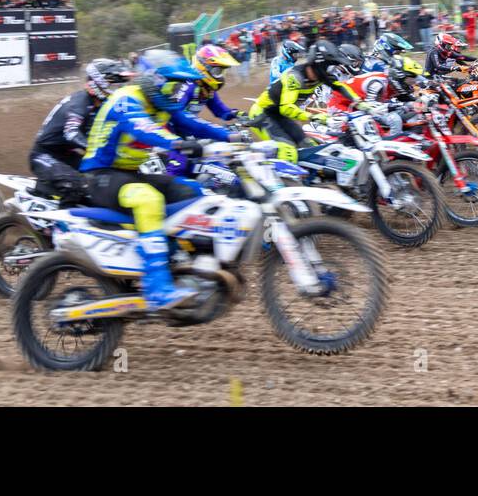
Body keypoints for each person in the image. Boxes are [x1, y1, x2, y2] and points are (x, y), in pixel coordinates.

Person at [80, 50, 236, 310]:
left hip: (134, 174)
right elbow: (143, 128)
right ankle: (157, 288)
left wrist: (231, 137)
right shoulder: (126, 99)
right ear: (156, 80)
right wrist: (177, 143)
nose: (179, 91)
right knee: (148, 199)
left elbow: (194, 124)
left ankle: (184, 266)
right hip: (102, 176)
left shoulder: (162, 106)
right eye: (175, 84)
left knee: (193, 192)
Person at [29, 59, 132, 200]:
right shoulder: (80, 103)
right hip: (44, 155)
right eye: (113, 83)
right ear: (98, 83)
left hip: (67, 155)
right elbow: (71, 133)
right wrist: (95, 149)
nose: (117, 87)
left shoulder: (101, 105)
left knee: (105, 179)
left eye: (118, 84)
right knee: (77, 185)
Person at [249, 40, 363, 161]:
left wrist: (360, 102)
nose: (329, 70)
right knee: (288, 151)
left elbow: (340, 86)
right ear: (319, 64)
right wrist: (313, 116)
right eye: (328, 66)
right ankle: (262, 168)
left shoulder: (320, 76)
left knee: (310, 148)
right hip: (263, 113)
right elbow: (286, 107)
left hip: (280, 116)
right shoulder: (295, 76)